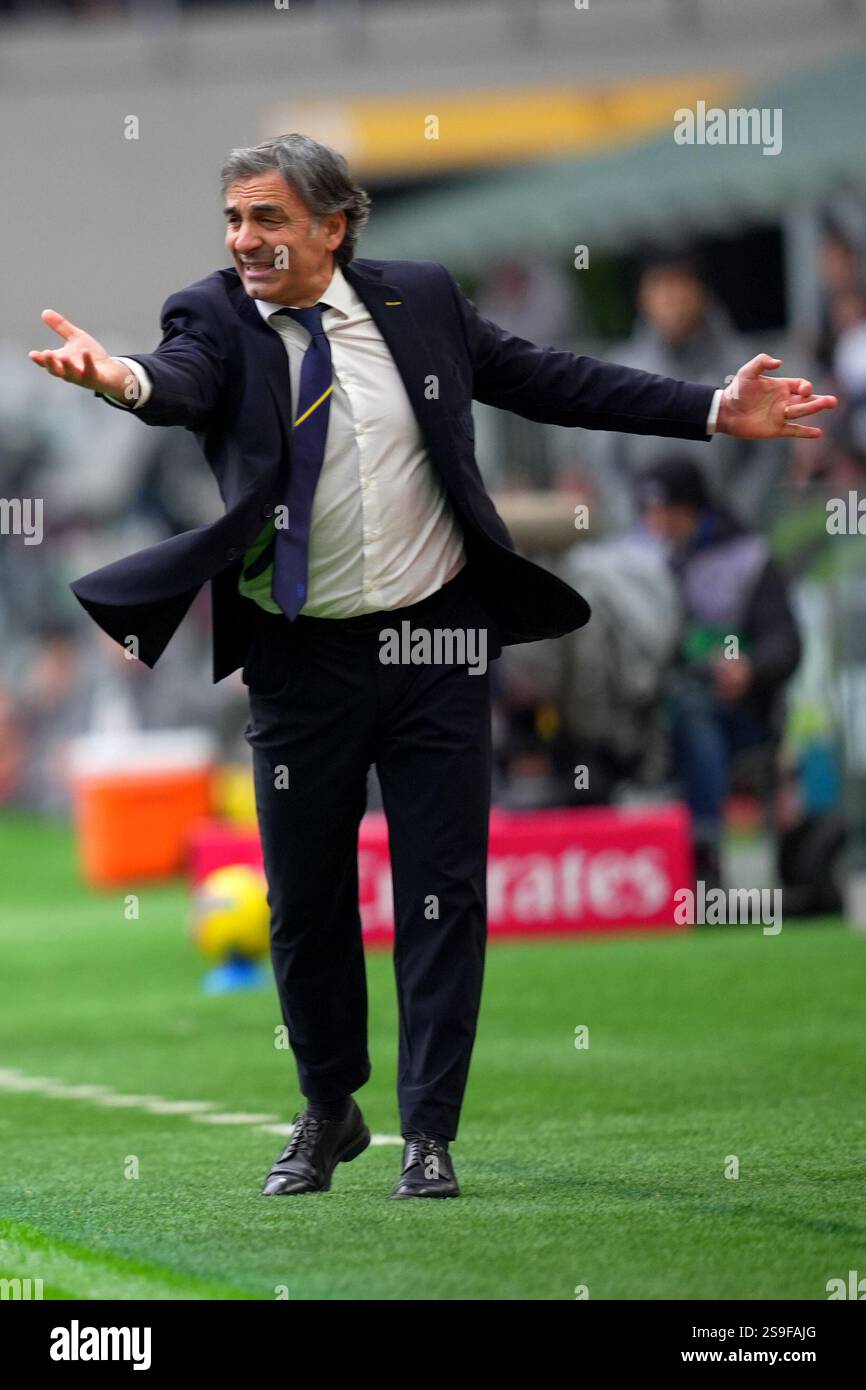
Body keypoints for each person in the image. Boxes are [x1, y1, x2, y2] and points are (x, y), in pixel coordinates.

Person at [28, 133, 835, 1200]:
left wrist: (705, 409)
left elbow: (552, 380)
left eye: (266, 219)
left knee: (440, 890)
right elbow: (175, 383)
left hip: (436, 644)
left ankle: (430, 1130)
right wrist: (117, 379)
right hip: (300, 658)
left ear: (332, 224)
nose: (244, 240)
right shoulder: (212, 316)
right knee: (305, 901)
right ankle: (327, 1107)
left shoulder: (419, 303)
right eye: (233, 220)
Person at [637, 457, 802, 889]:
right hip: (658, 712)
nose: (656, 524)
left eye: (665, 513)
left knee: (693, 711)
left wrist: (749, 670)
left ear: (690, 509)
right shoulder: (654, 565)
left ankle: (704, 850)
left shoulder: (750, 560)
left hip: (744, 714)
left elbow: (785, 643)